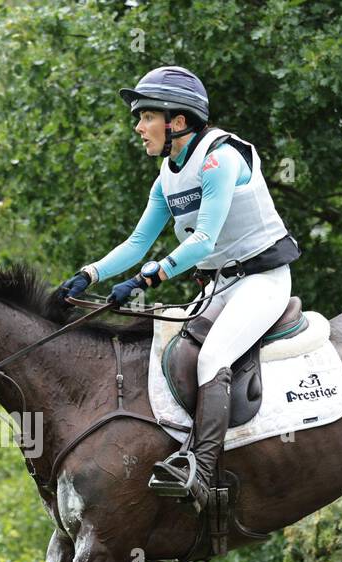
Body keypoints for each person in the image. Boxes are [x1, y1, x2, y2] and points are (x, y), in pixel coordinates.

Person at [56, 66, 301, 511]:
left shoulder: (219, 159)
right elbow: (136, 243)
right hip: (221, 286)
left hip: (263, 281)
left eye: (146, 116)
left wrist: (148, 278)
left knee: (211, 359)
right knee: (169, 350)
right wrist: (89, 274)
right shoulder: (166, 177)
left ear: (179, 122)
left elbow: (203, 240)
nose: (138, 127)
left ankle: (202, 471)